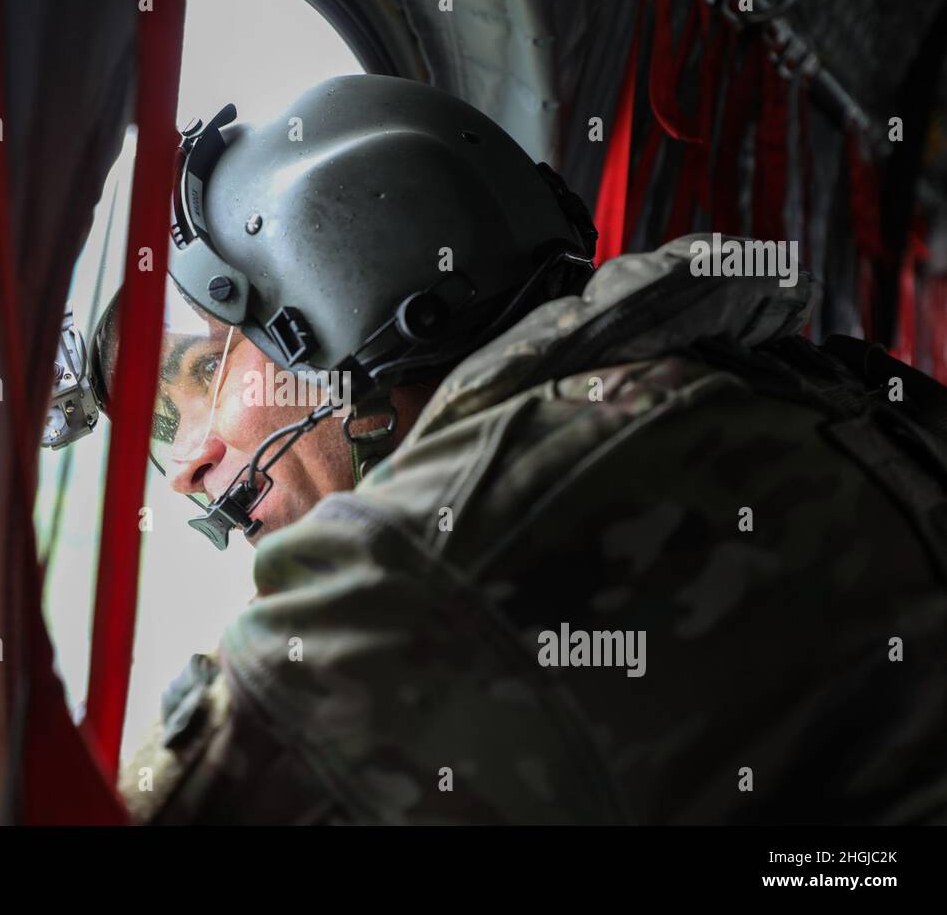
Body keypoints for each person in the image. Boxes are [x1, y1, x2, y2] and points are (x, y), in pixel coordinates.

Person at [91, 74, 947, 824]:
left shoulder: (463, 552)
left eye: (205, 370)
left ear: (346, 303)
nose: (187, 469)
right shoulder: (754, 382)